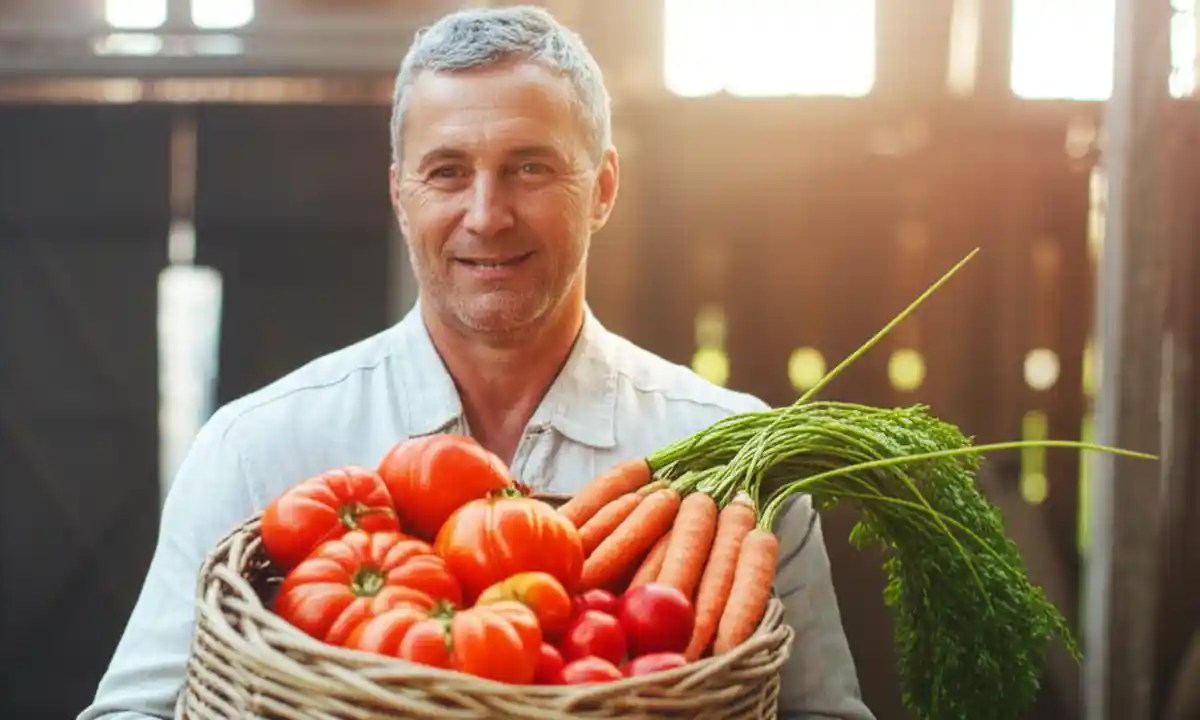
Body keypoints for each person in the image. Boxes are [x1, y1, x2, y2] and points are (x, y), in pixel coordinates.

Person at [79, 6, 873, 719]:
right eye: (448, 171)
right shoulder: (257, 447)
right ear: (400, 194)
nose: (487, 216)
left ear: (601, 188)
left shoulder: (737, 457)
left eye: (530, 167)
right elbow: (133, 710)